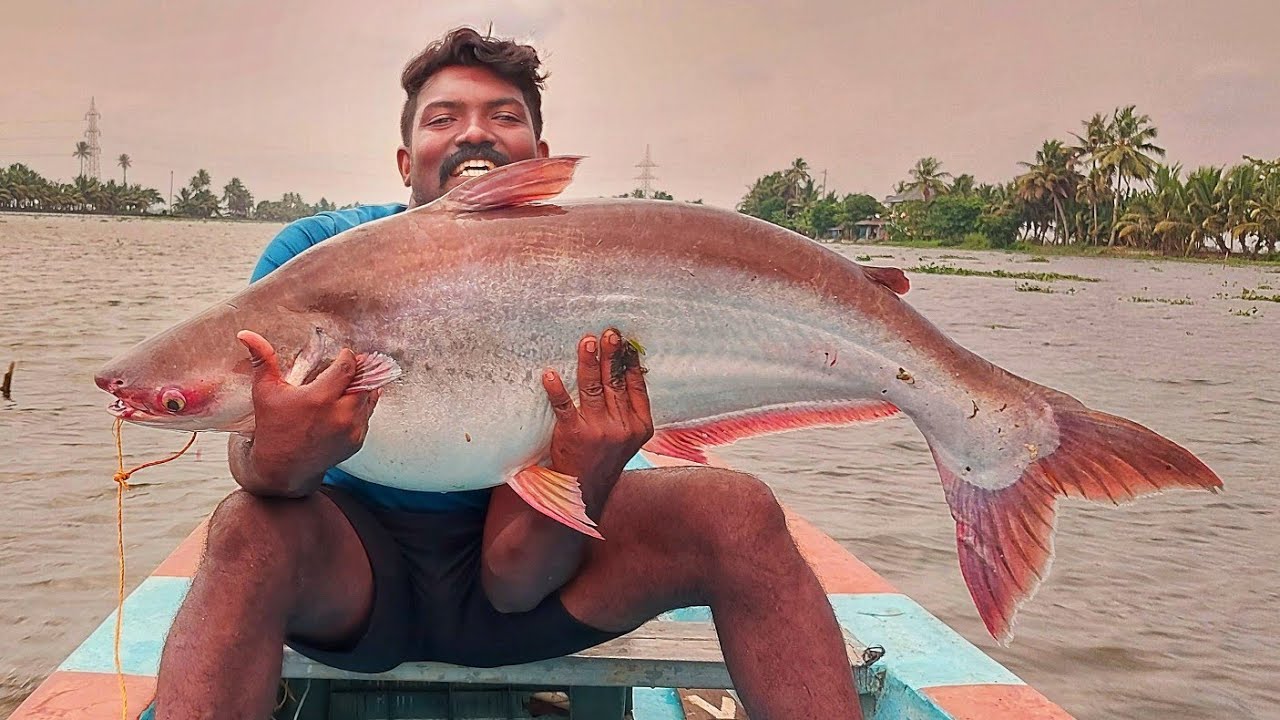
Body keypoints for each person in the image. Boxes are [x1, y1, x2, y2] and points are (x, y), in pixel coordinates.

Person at [151, 27, 862, 719]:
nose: (473, 134)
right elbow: (257, 465)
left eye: (503, 117)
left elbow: (517, 582)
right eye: (443, 118)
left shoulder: (596, 258)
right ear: (406, 160)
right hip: (352, 576)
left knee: (739, 514)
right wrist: (279, 457)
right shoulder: (314, 250)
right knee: (246, 529)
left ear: (539, 154)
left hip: (541, 580)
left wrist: (590, 462)